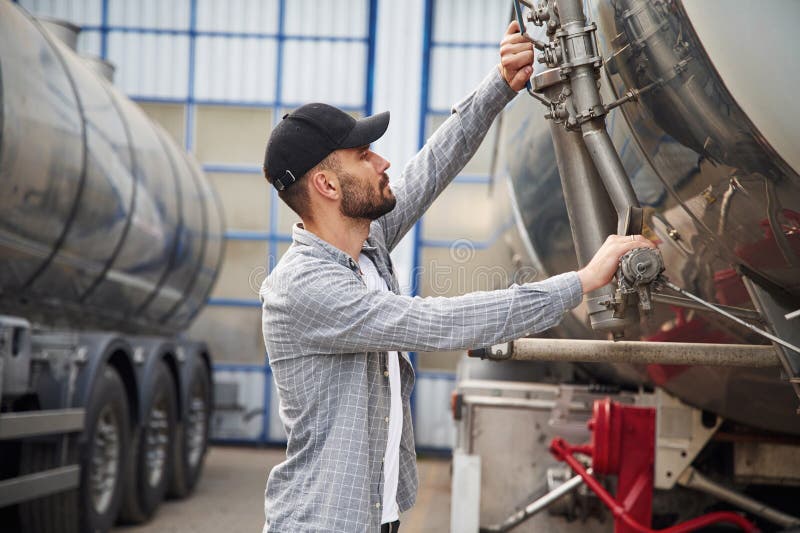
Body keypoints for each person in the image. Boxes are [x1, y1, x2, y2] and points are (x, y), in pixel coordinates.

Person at [259, 21, 654, 533]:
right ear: (327, 184)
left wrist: (500, 84)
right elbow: (441, 322)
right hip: (323, 522)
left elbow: (431, 167)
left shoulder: (365, 244)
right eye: (364, 156)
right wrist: (580, 282)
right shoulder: (306, 289)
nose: (383, 161)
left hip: (376, 517)